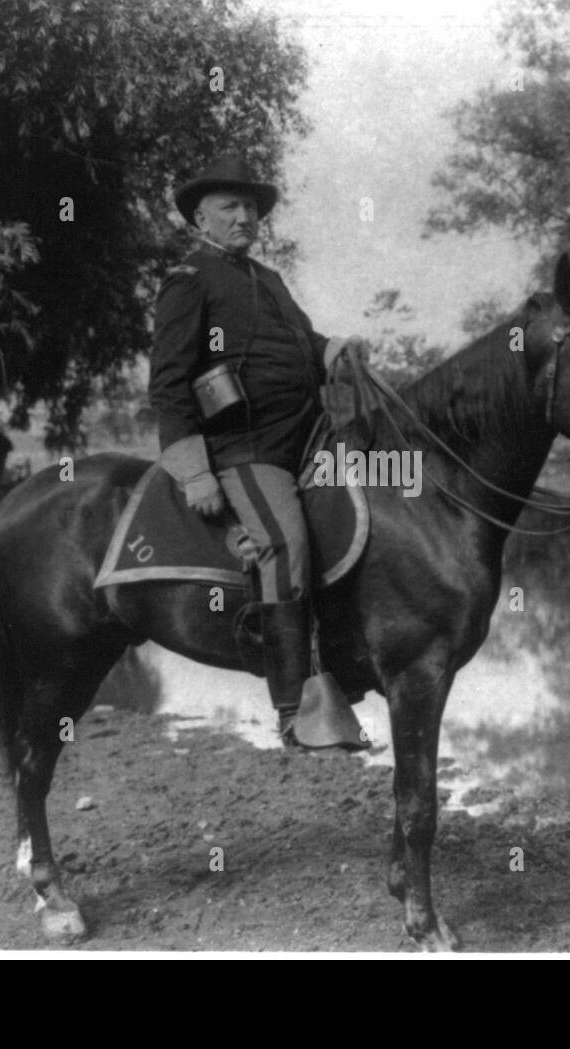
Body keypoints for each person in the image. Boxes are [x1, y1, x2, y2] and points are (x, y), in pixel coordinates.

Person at [150, 156, 367, 750]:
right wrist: (194, 470)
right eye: (230, 207)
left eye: (251, 207)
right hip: (246, 447)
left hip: (309, 436)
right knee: (285, 543)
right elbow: (168, 384)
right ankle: (294, 708)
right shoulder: (188, 279)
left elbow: (304, 341)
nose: (245, 216)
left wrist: (335, 350)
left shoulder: (267, 279)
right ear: (202, 217)